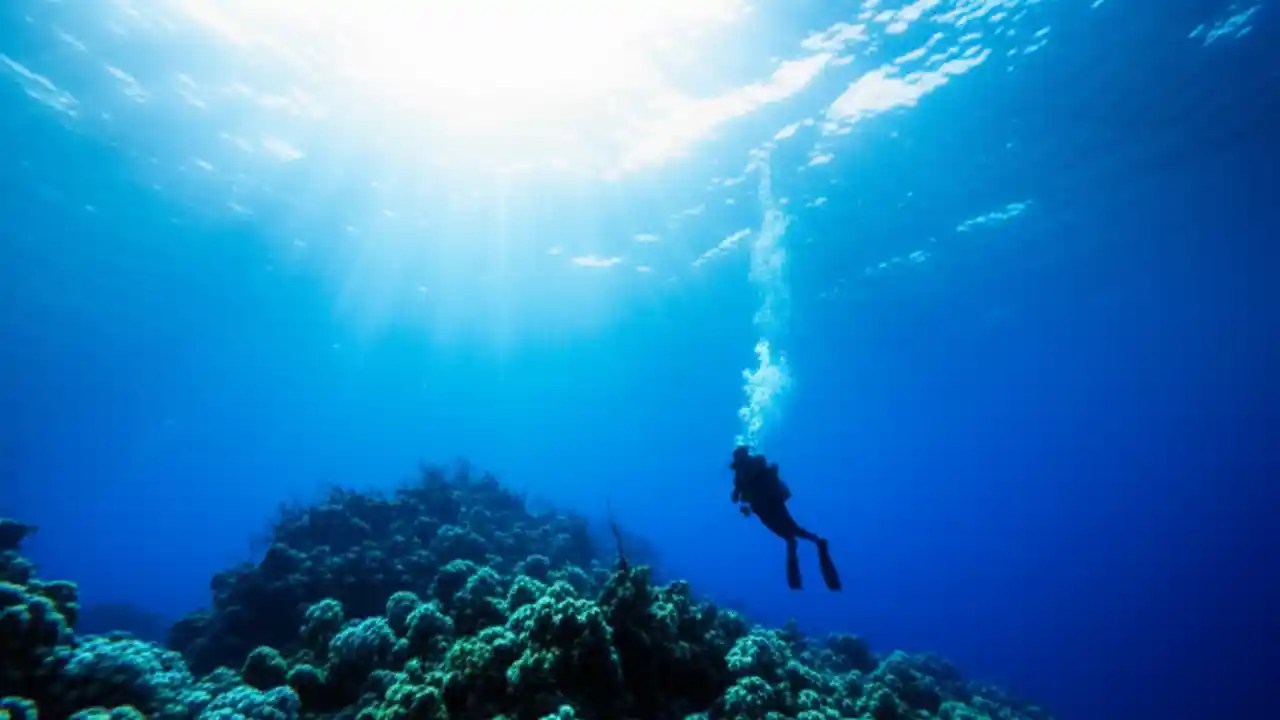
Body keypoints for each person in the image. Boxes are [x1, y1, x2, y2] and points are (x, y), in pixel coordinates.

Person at [730, 445, 842, 591]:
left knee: (790, 534)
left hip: (766, 507)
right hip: (768, 506)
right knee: (791, 532)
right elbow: (741, 495)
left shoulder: (745, 471)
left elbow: (738, 495)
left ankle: (812, 551)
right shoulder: (752, 466)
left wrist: (740, 494)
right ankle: (817, 543)